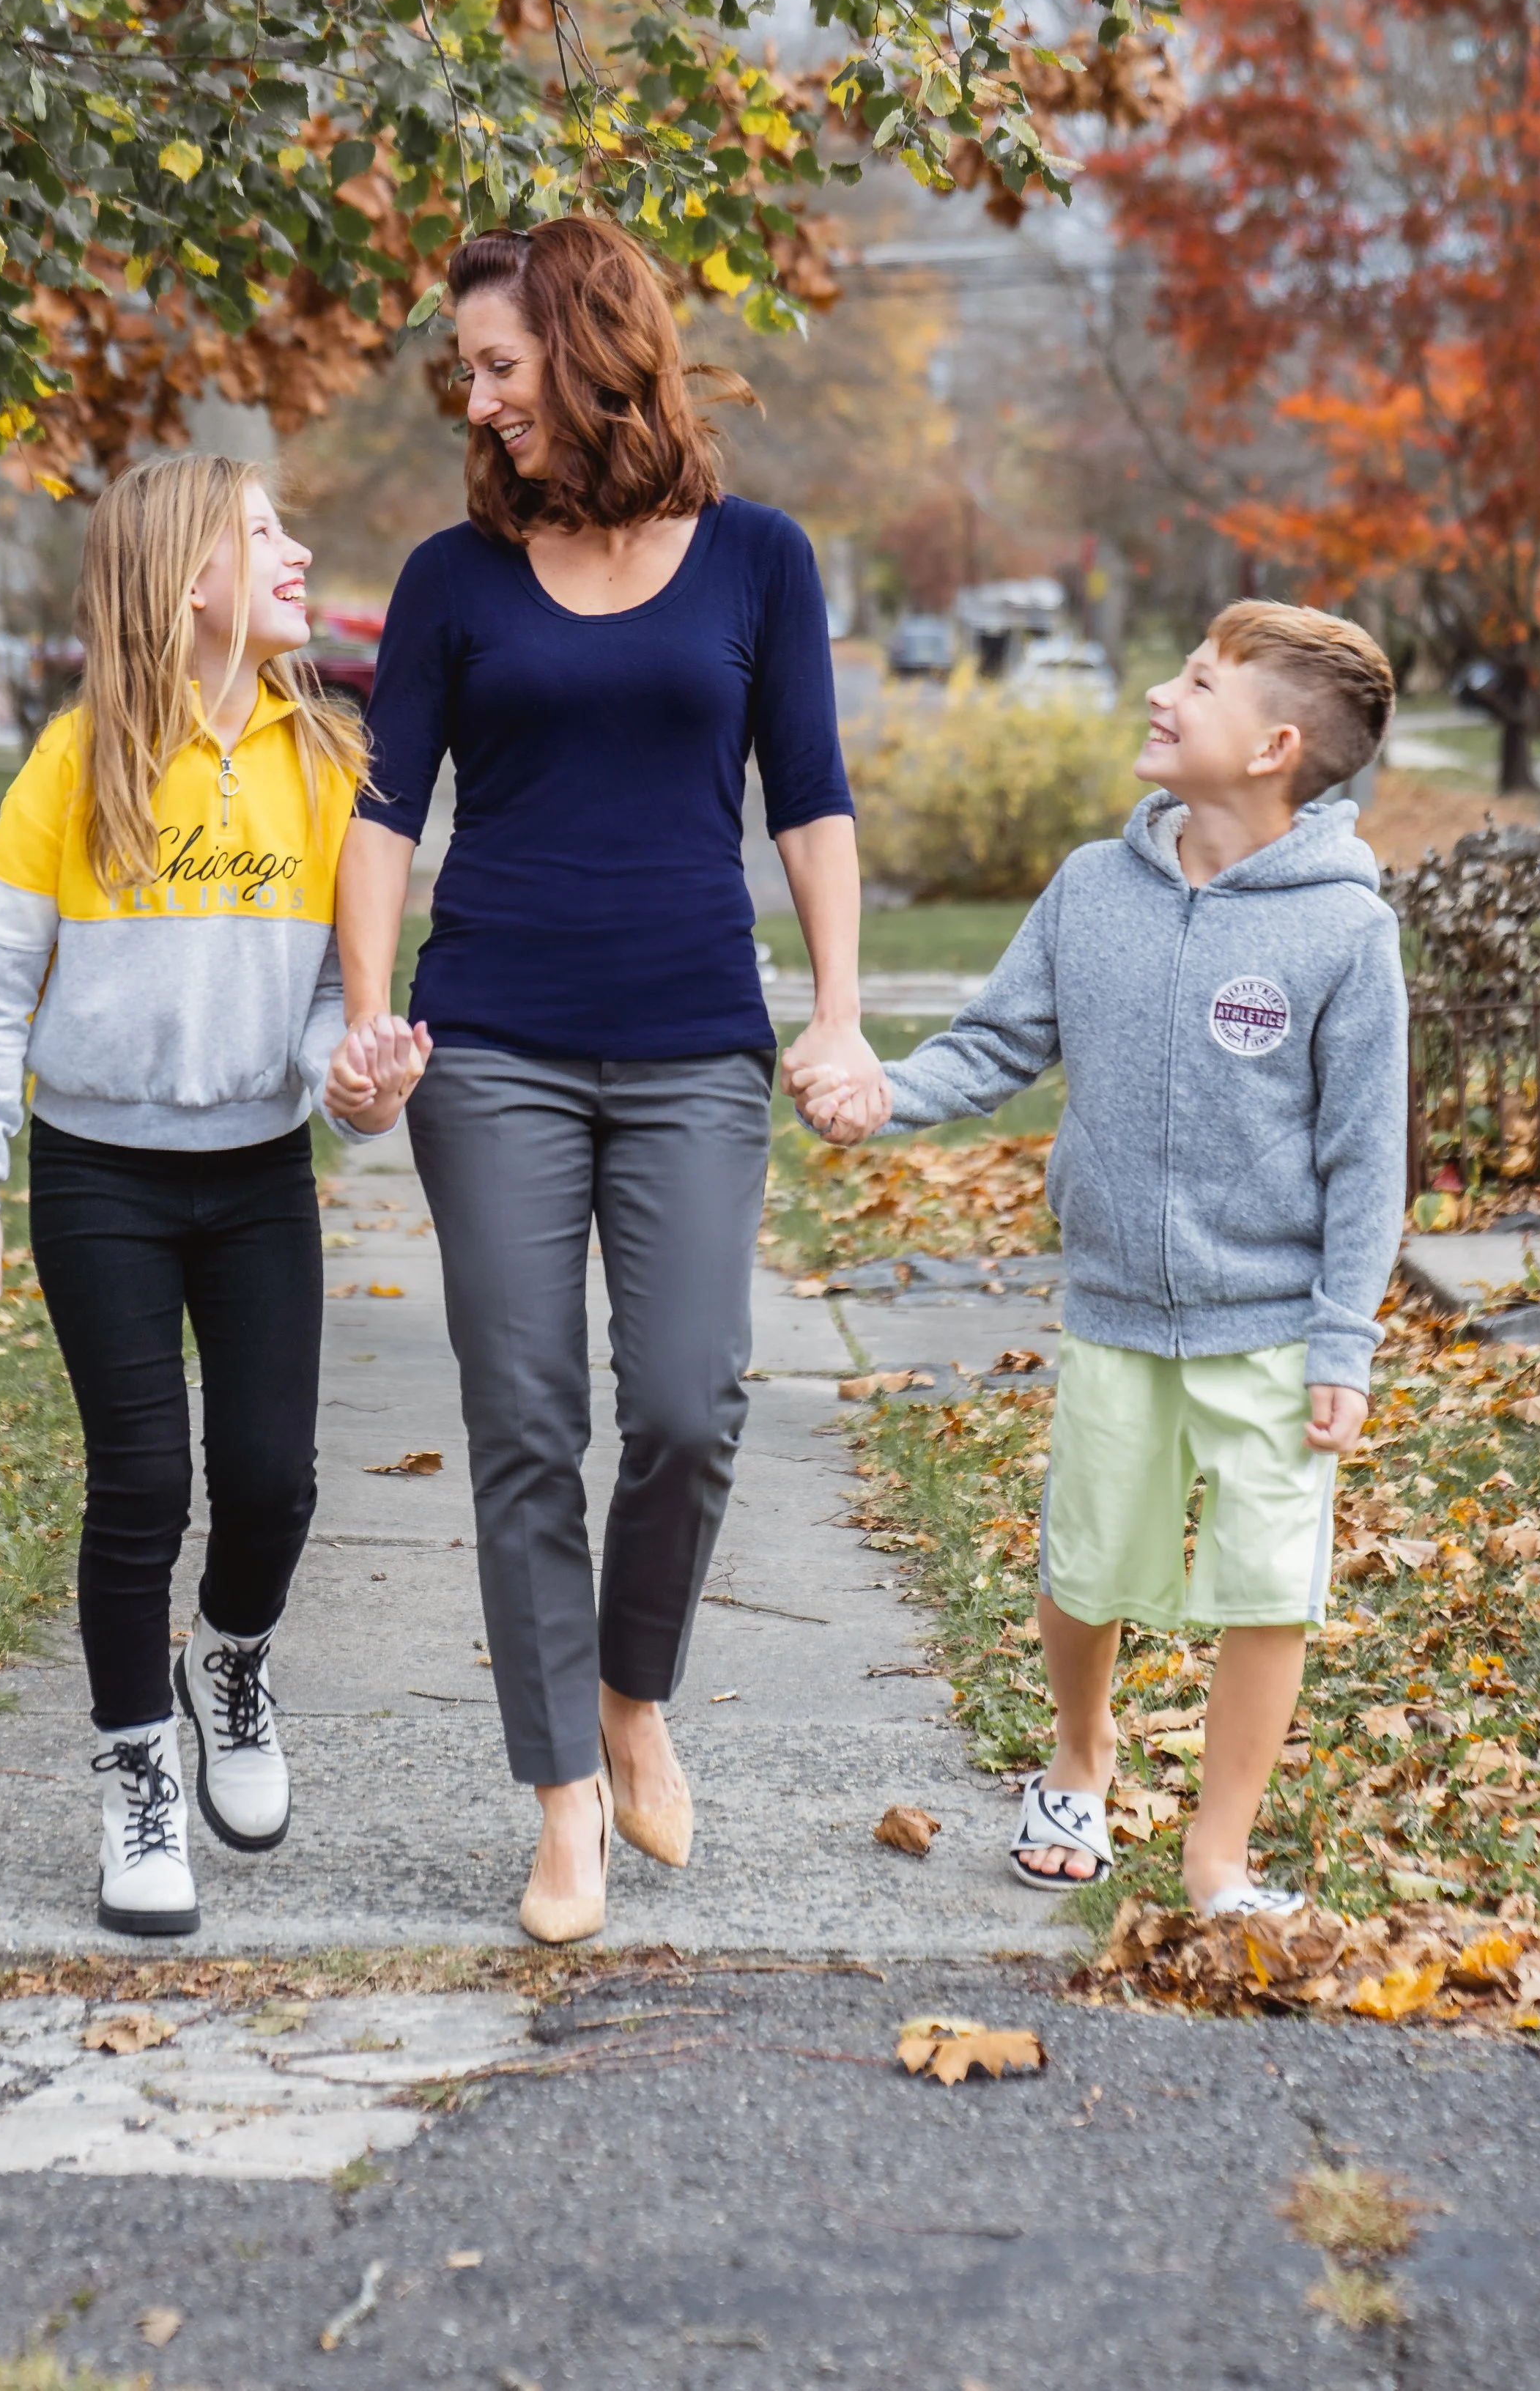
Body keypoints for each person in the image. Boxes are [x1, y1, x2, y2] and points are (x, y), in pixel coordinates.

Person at [330, 215, 885, 1944]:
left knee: (689, 1401)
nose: (475, 396)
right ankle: (562, 1804)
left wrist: (841, 1014)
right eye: (468, 370)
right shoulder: (450, 578)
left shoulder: (755, 559)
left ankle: (629, 1695)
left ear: (589, 350)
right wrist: (366, 1018)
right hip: (487, 1038)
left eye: (498, 363)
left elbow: (807, 795)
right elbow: (381, 812)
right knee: (522, 1422)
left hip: (691, 1041)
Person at [790, 601, 1407, 1918]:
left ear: (1274, 746)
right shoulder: (1093, 888)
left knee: (1268, 1588)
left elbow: (1367, 1159)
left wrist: (1346, 1337)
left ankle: (1218, 1854)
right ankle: (1081, 1758)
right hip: (1119, 1309)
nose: (1163, 693)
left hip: (1278, 1325)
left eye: (1200, 682)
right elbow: (996, 1041)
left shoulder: (1343, 932)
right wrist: (882, 1093)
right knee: (1087, 1563)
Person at [0, 455, 426, 1937]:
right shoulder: (74, 765)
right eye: (264, 530)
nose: (298, 547)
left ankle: (231, 1660)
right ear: (184, 578)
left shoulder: (328, 763)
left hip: (258, 1175)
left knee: (271, 1477)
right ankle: (137, 1776)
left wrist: (355, 1083)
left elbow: (339, 1007)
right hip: (100, 1178)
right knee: (139, 1482)